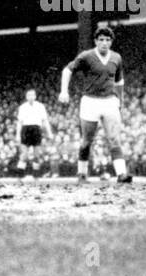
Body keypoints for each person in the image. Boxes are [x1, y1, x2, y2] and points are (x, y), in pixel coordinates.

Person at [58, 26, 131, 183]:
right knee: (86, 141)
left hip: (110, 101)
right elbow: (67, 70)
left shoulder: (116, 58)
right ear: (96, 41)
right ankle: (82, 173)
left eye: (107, 40)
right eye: (101, 40)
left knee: (114, 139)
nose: (104, 43)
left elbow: (119, 81)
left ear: (111, 42)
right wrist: (64, 91)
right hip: (90, 101)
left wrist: (120, 101)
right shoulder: (87, 56)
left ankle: (121, 174)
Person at [15, 88, 53, 178]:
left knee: (37, 155)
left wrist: (49, 132)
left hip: (36, 130)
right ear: (26, 97)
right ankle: (20, 176)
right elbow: (19, 122)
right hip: (26, 130)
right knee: (24, 155)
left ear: (35, 96)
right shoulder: (22, 107)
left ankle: (36, 176)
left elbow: (45, 121)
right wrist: (17, 135)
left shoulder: (40, 106)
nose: (31, 97)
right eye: (29, 95)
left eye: (32, 95)